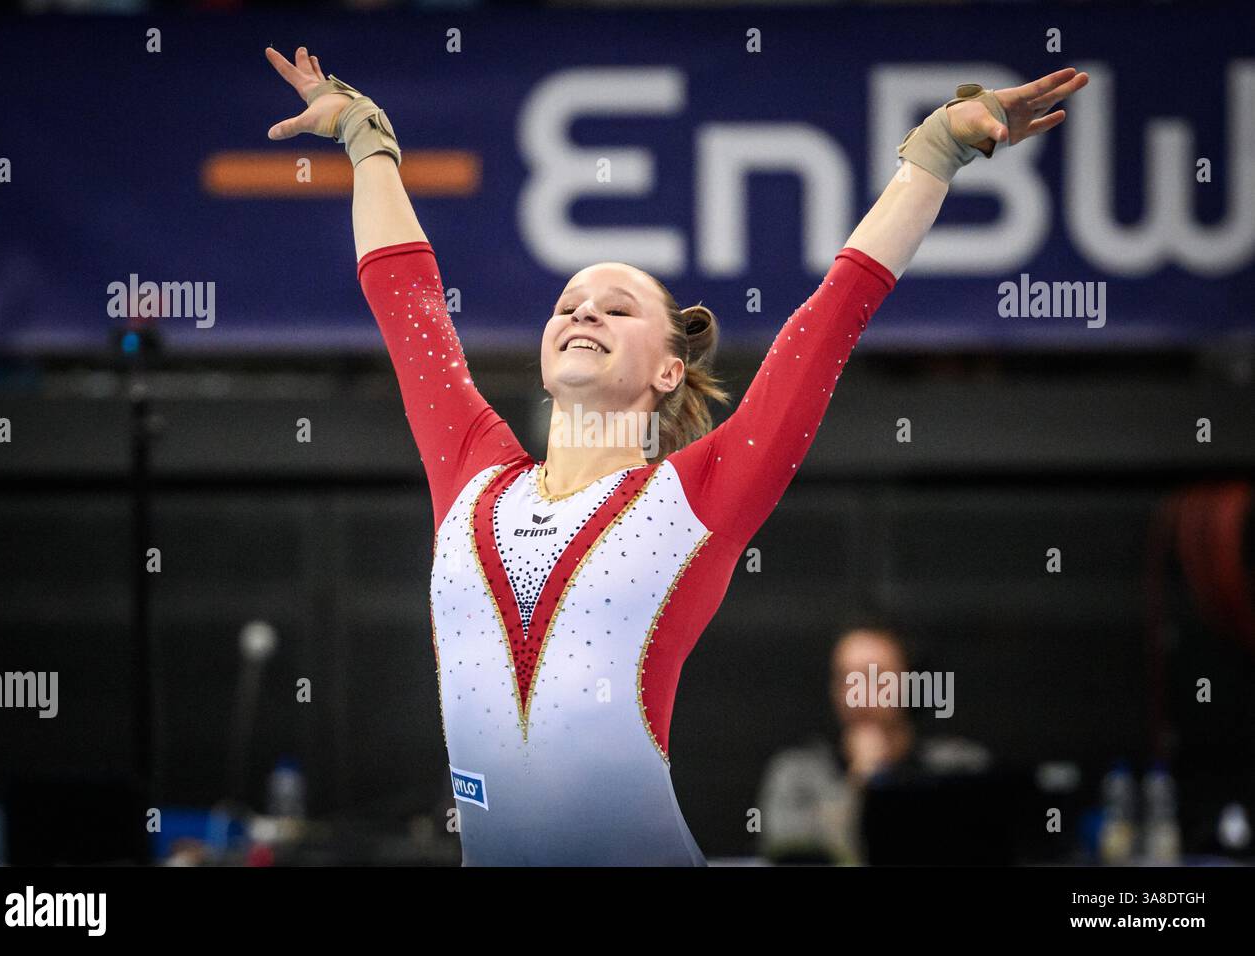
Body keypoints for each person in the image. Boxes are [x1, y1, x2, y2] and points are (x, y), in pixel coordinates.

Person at [264, 46, 1087, 865]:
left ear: (669, 369)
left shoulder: (694, 500)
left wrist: (937, 149)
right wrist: (366, 138)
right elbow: (407, 302)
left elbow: (830, 317)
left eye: (615, 308)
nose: (582, 313)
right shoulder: (473, 473)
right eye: (568, 304)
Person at [758, 624, 992, 864]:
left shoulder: (957, 768)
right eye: (845, 679)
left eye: (874, 677)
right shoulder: (797, 774)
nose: (857, 694)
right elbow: (792, 851)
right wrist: (862, 783)